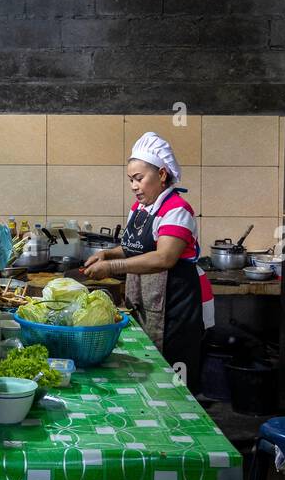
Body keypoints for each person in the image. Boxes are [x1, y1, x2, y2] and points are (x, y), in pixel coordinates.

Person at [82, 132, 212, 390]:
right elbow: (135, 247)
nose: (133, 186)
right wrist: (108, 253)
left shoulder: (176, 210)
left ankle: (181, 424)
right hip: (145, 296)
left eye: (139, 179)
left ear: (162, 175)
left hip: (177, 304)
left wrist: (110, 267)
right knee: (147, 364)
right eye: (131, 180)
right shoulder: (140, 208)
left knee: (172, 375)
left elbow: (164, 257)